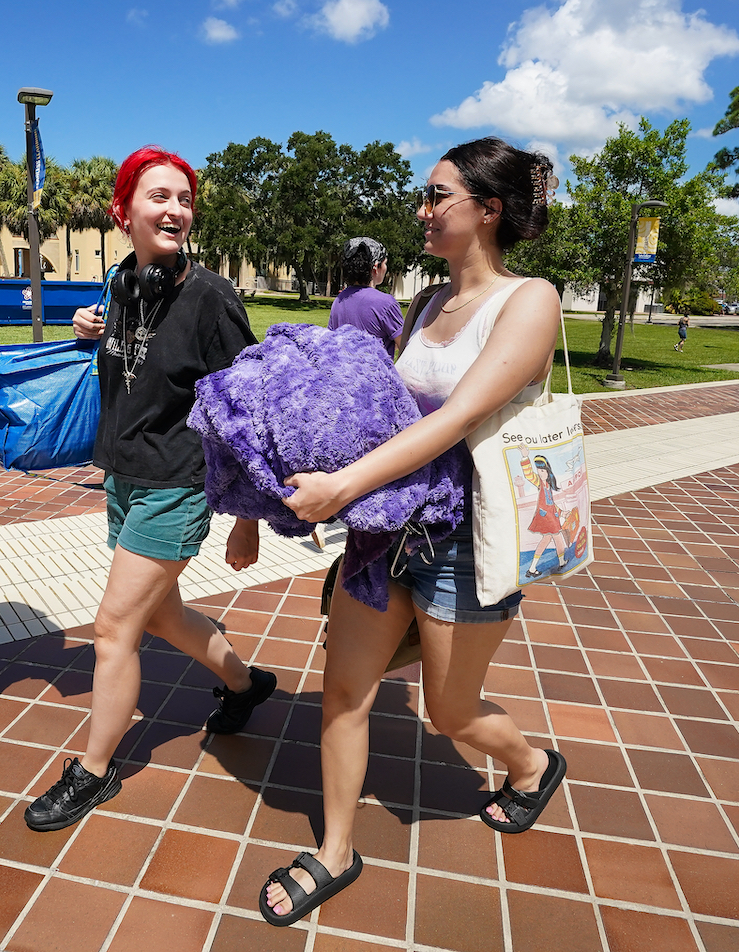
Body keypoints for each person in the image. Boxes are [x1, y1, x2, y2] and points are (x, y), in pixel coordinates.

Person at [259, 137, 567, 926]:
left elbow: (461, 416)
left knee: (451, 711)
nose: (422, 212)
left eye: (437, 197)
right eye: (423, 198)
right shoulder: (427, 303)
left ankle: (531, 764)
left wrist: (345, 484)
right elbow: (388, 412)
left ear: (486, 210)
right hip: (386, 529)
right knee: (343, 692)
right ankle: (334, 851)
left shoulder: (530, 300)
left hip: (465, 534)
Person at [24, 147, 276, 831]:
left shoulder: (211, 297)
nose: (175, 209)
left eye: (184, 198)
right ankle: (245, 685)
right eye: (158, 196)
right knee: (163, 617)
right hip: (126, 478)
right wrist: (87, 333)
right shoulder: (120, 284)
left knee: (113, 629)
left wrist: (245, 513)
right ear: (123, 211)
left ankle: (94, 771)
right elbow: (132, 369)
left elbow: (244, 408)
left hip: (175, 484)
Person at [328, 237, 403, 354]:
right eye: (385, 263)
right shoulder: (386, 303)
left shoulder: (339, 300)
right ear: (375, 267)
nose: (386, 268)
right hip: (376, 371)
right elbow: (404, 345)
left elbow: (331, 342)